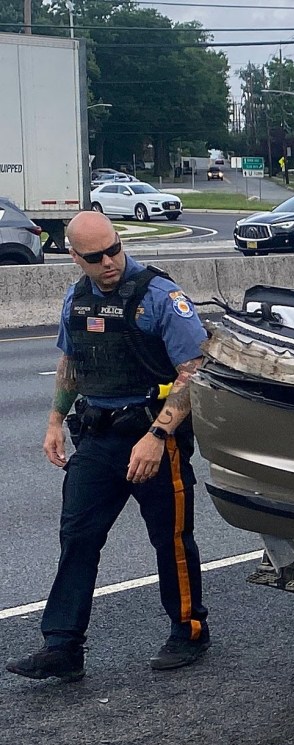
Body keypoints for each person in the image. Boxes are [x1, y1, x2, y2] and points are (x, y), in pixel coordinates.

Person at [6, 211, 211, 682]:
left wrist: (157, 437)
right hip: (98, 437)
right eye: (95, 256)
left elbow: (193, 373)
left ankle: (189, 629)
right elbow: (71, 361)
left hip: (154, 438)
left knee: (171, 539)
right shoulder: (76, 298)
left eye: (114, 249)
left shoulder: (159, 295)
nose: (109, 262)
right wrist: (55, 420)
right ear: (75, 257)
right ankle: (62, 645)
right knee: (77, 537)